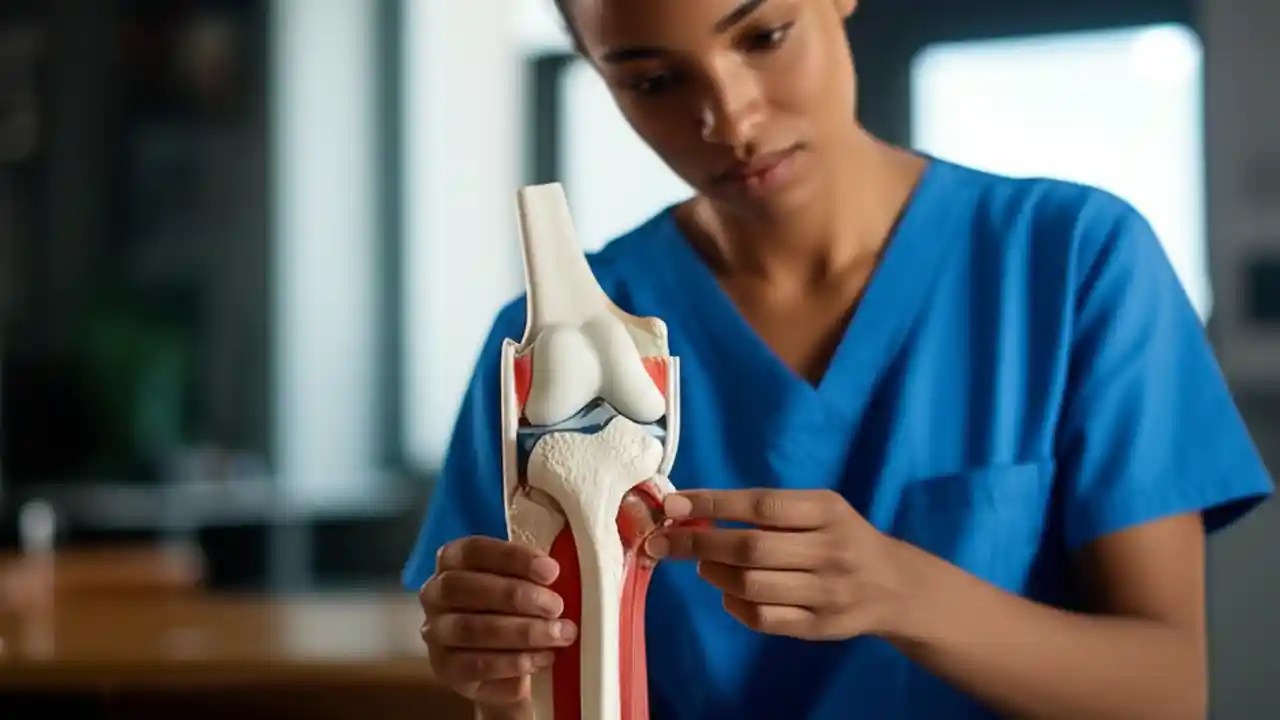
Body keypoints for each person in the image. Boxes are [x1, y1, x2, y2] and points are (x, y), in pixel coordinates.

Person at [402, 0, 1275, 718]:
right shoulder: (541, 354)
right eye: (654, 80)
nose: (730, 117)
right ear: (597, 72)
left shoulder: (1078, 260)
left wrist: (904, 591)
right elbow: (535, 691)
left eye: (764, 36)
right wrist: (502, 679)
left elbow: (1167, 692)